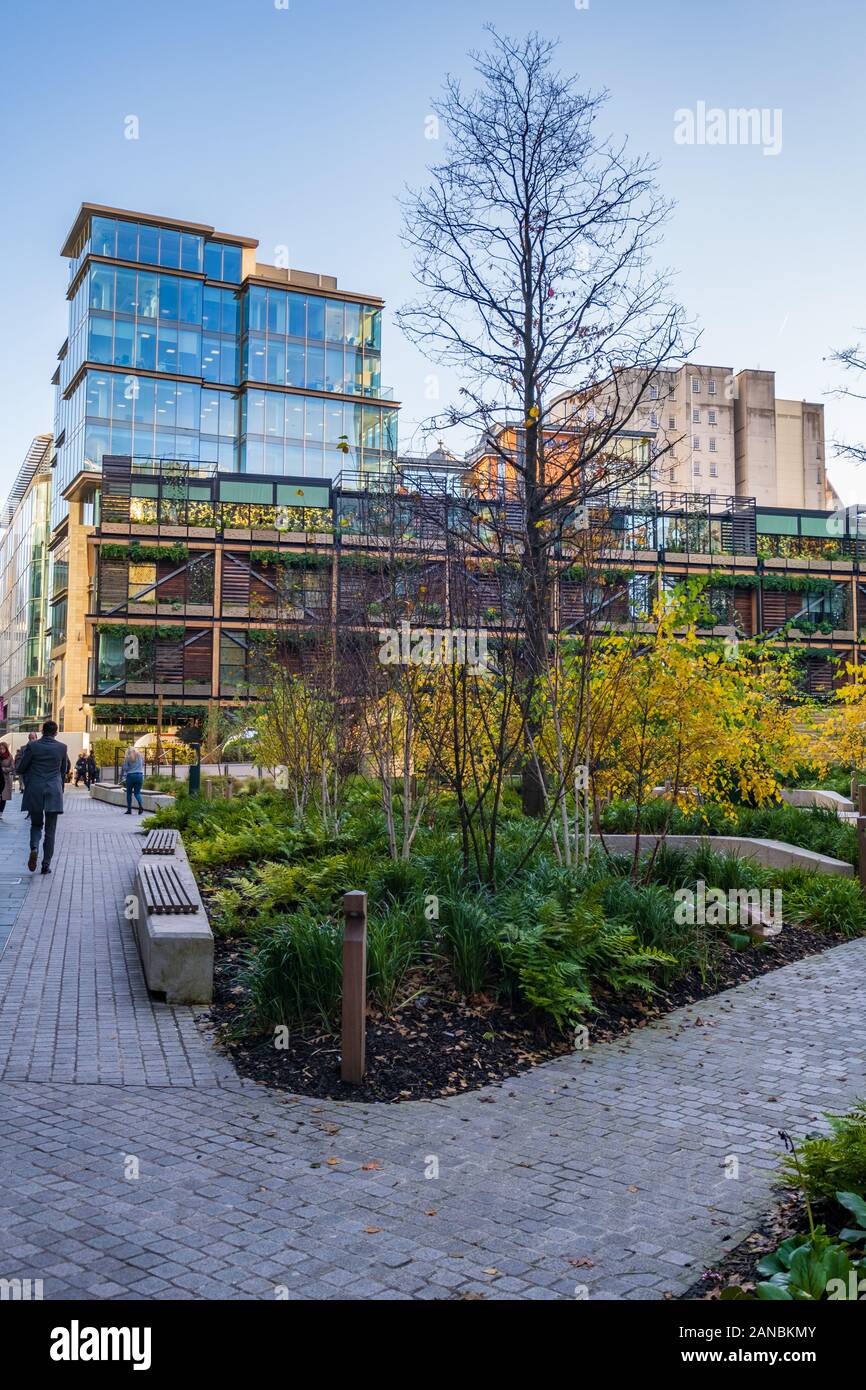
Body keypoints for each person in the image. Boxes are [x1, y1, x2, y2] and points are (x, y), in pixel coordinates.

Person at [16, 720, 71, 874]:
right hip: (53, 790)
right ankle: (45, 865)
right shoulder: (62, 747)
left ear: (42, 731)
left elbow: (21, 768)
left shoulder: (32, 746)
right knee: (51, 830)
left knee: (36, 824)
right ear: (56, 732)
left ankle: (34, 848)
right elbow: (63, 771)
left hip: (35, 788)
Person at [121, 744, 145, 815]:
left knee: (129, 793)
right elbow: (142, 765)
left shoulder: (127, 758)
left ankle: (129, 810)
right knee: (137, 793)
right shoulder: (140, 756)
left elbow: (125, 768)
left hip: (131, 776)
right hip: (140, 775)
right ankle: (140, 805)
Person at [0, 742, 13, 818]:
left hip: (5, 779)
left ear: (6, 749)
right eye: (0, 748)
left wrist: (4, 769)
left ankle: (1, 812)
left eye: (3, 749)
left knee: (3, 797)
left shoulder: (9, 757)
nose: (1, 750)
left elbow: (12, 767)